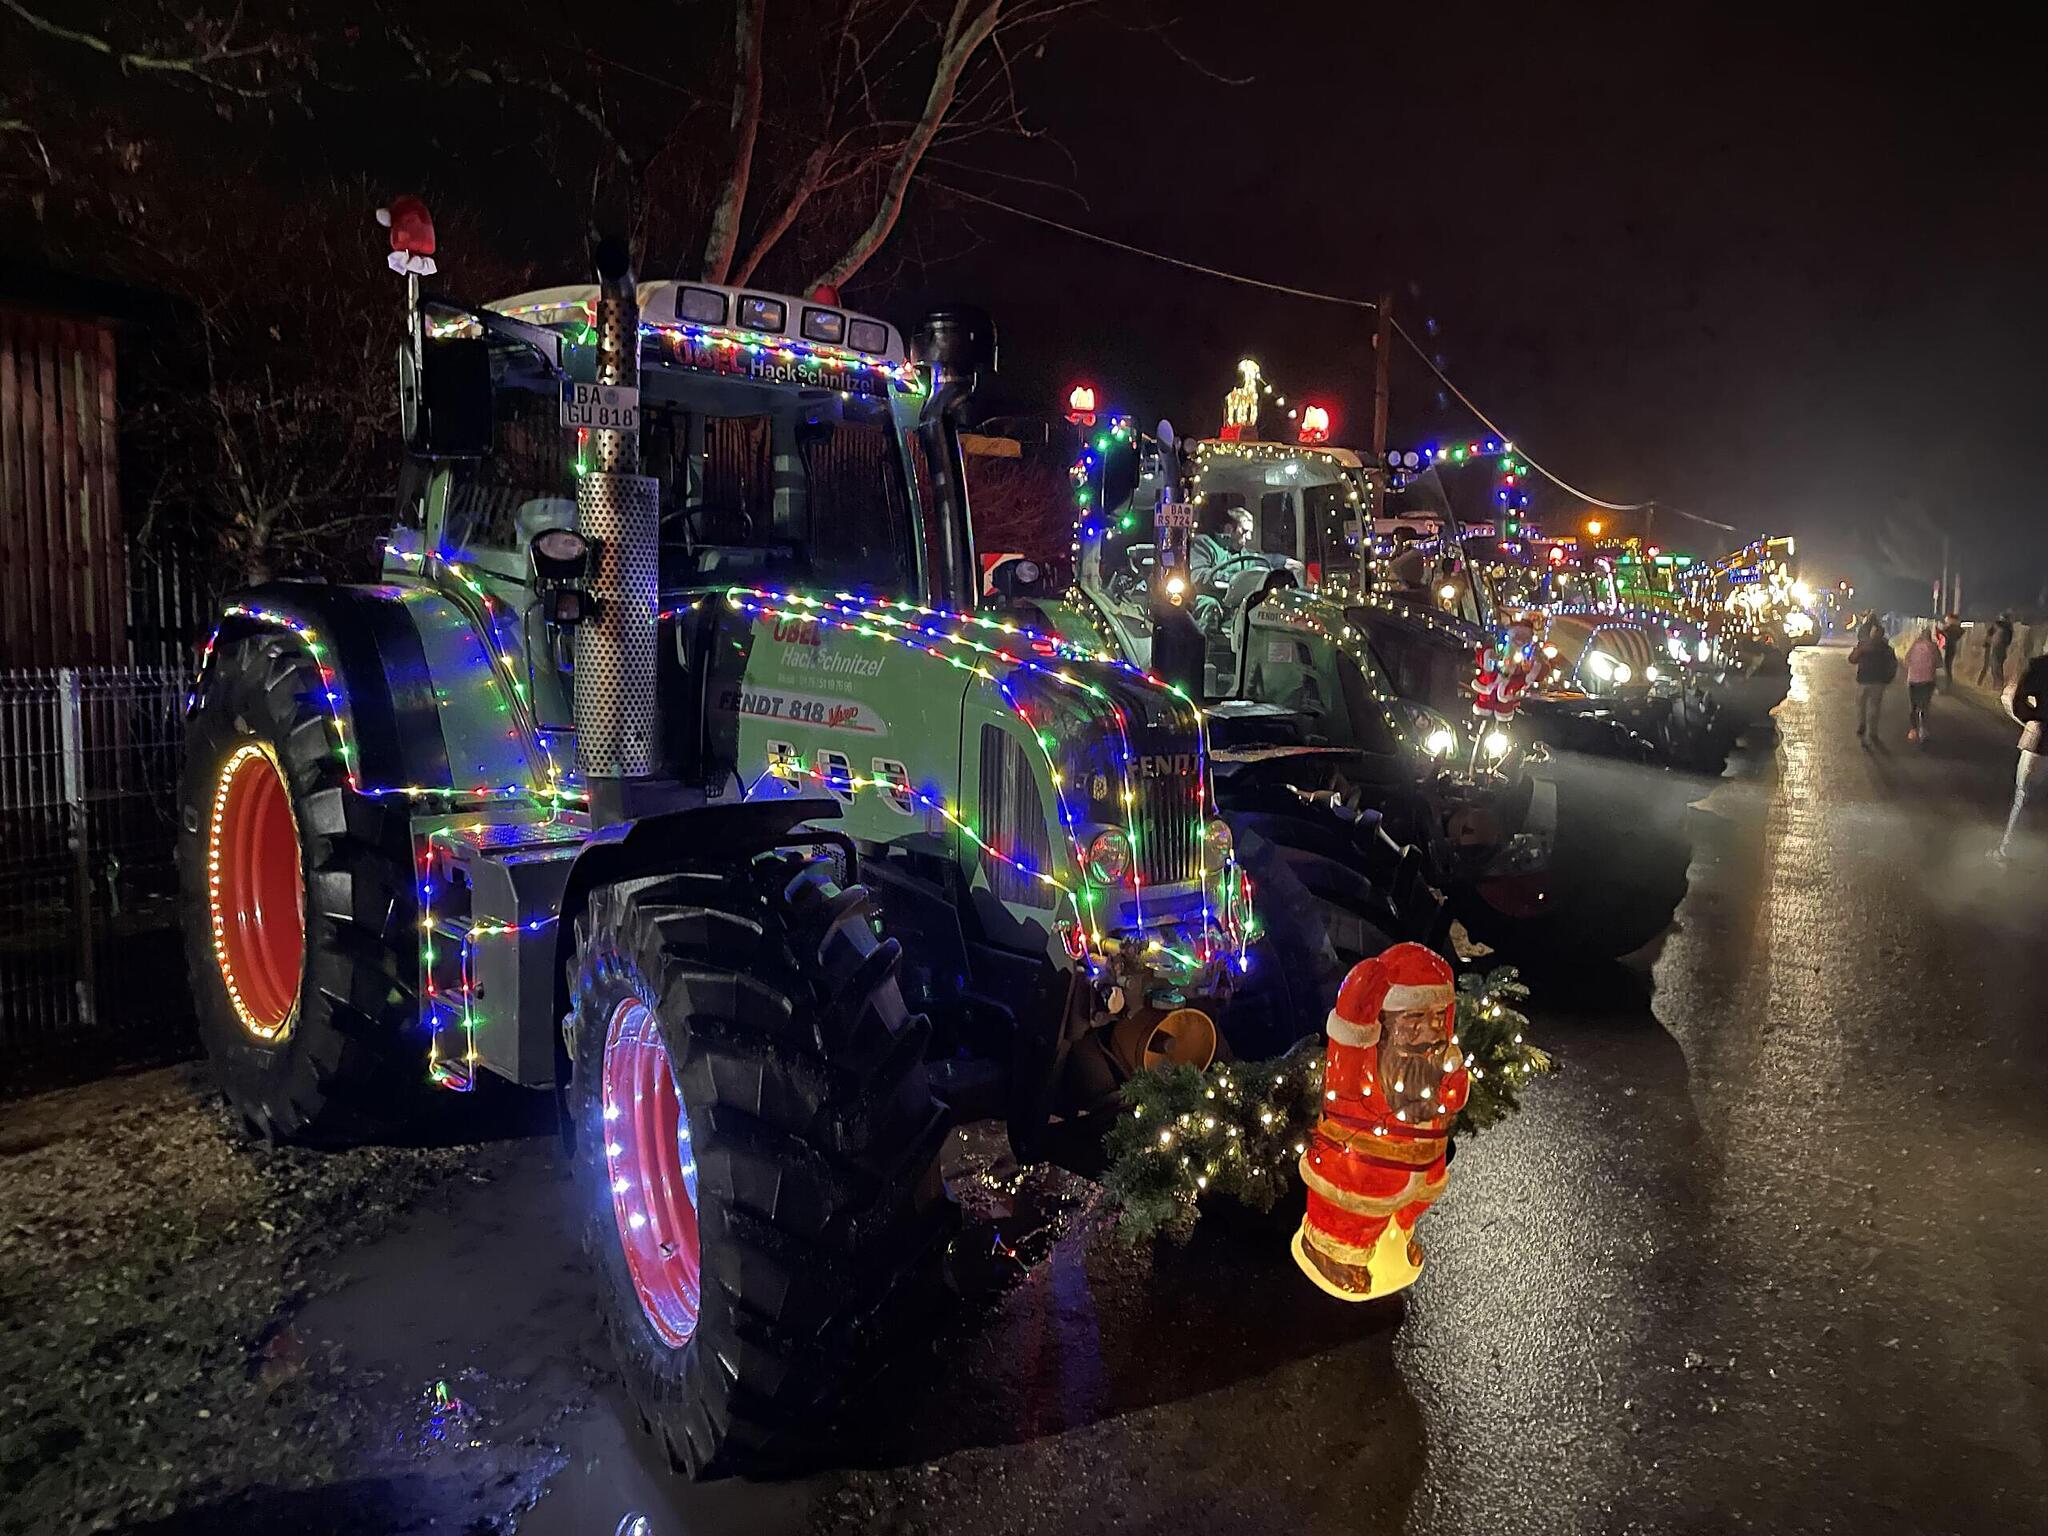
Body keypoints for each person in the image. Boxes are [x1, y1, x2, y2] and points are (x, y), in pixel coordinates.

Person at [1992, 649, 2048, 864]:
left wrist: (2034, 720)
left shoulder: (2040, 665)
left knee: (2025, 799)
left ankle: (2009, 853)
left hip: (2041, 743)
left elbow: (2015, 700)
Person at [1848, 620, 1897, 742]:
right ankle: (1872, 732)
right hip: (1879, 682)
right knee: (1874, 708)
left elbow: (1852, 659)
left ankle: (1862, 724)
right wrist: (1889, 678)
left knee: (1861, 705)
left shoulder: (1864, 645)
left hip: (1864, 680)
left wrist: (1858, 652)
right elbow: (1893, 665)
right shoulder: (1887, 649)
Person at [1903, 625, 1940, 744]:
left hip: (1913, 679)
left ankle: (1913, 730)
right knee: (1924, 706)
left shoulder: (1914, 645)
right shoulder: (1934, 647)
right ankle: (1923, 730)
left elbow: (1906, 660)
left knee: (1912, 705)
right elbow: (1939, 663)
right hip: (1928, 681)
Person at [1977, 612, 2015, 688]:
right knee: (1995, 667)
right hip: (1997, 648)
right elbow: (1990, 635)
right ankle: (1995, 684)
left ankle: (1997, 685)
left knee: (1995, 667)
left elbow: (1990, 635)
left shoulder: (2001, 627)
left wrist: (1987, 643)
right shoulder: (2006, 628)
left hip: (1997, 648)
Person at [1938, 612, 1964, 688]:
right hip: (1948, 647)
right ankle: (1947, 682)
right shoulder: (1953, 628)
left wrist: (1942, 632)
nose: (1946, 620)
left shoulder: (1953, 628)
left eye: (1948, 619)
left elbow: (1949, 637)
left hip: (1949, 648)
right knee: (1947, 666)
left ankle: (1948, 683)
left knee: (1947, 666)